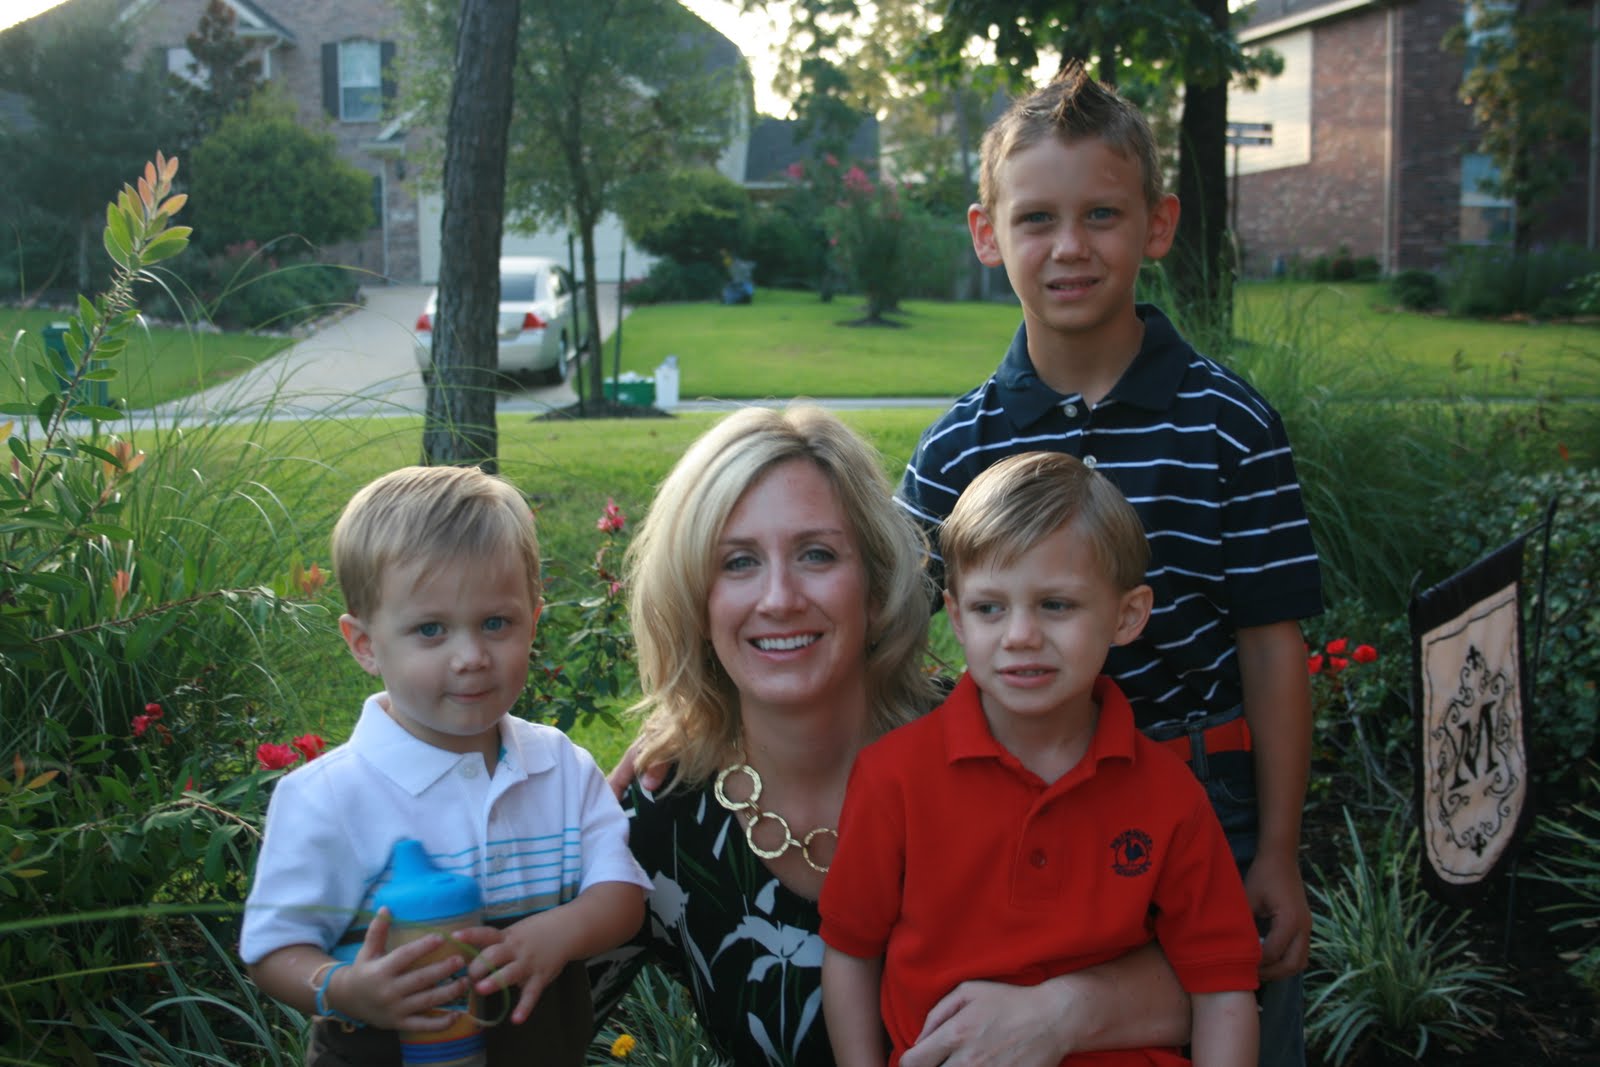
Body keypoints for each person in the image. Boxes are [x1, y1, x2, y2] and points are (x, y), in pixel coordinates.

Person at [894, 64, 1323, 1066]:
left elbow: (1271, 645)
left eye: (1101, 215)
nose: (1070, 247)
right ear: (986, 232)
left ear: (1157, 224)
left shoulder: (1228, 425)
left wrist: (1278, 849)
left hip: (1201, 790)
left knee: (1241, 1020)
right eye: (1036, 218)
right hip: (1016, 808)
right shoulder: (958, 449)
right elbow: (884, 634)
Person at [590, 405, 1193, 1067]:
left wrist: (1064, 1011)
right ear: (693, 600)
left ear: (876, 585)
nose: (780, 596)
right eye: (738, 562)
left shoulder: (1007, 740)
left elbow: (1219, 972)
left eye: (817, 553)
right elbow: (522, 1016)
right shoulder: (665, 815)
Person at [822, 452, 1261, 1067]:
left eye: (1056, 605)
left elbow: (1223, 987)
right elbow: (850, 952)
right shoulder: (894, 777)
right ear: (955, 615)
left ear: (1127, 615)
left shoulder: (1169, 794)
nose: (1020, 635)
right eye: (989, 608)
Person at [241, 465, 650, 1066]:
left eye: (496, 623)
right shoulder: (330, 797)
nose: (471, 658)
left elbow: (621, 897)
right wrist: (347, 989)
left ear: (533, 622)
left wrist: (560, 932)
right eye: (430, 630)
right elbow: (274, 950)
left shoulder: (559, 767)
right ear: (365, 645)